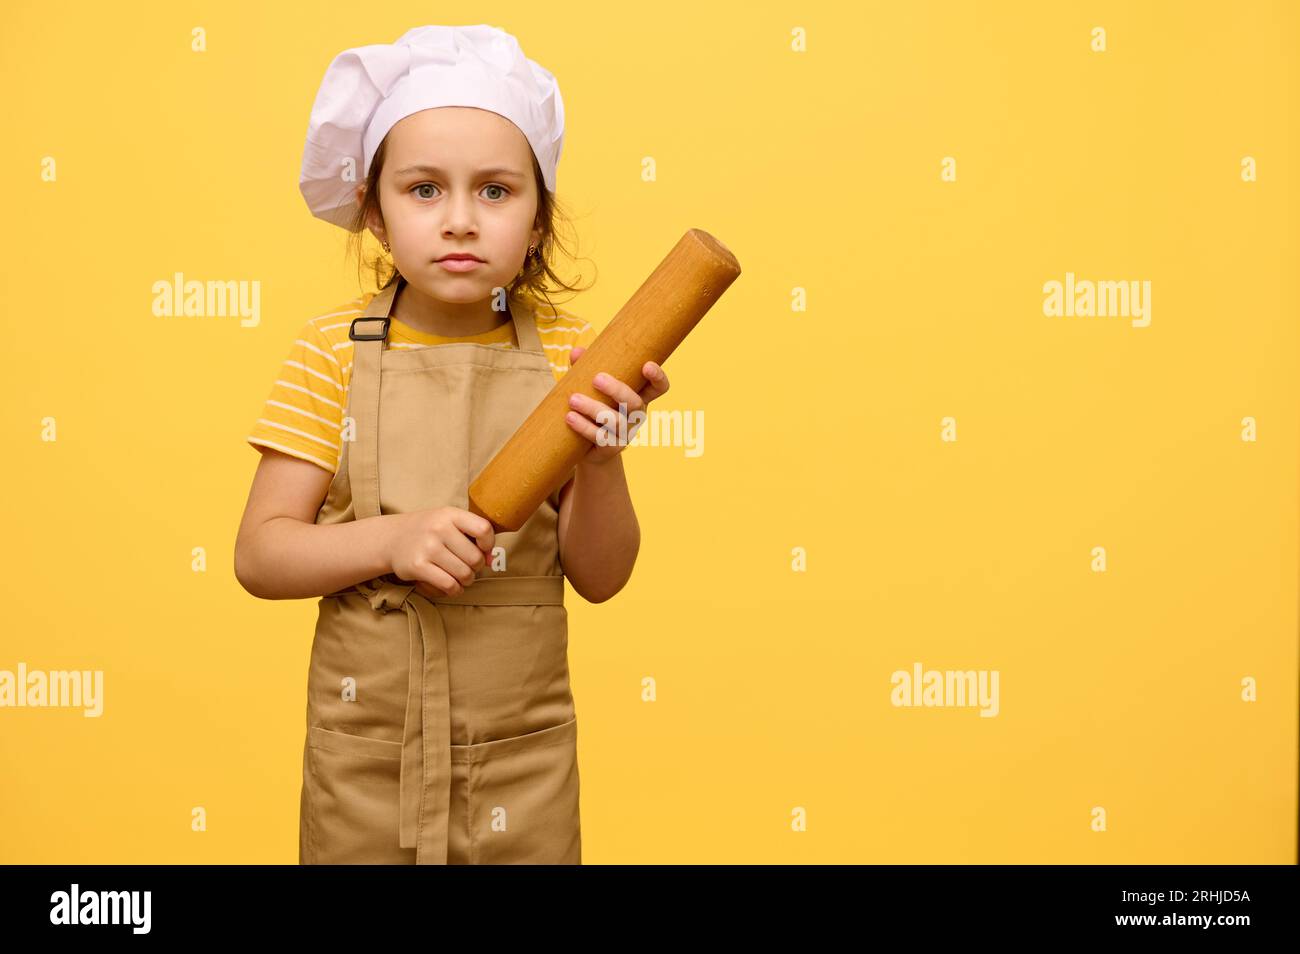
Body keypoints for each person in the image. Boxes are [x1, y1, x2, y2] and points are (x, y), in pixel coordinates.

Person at [233, 24, 671, 864]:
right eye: (425, 190)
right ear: (373, 209)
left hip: (523, 761)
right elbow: (260, 555)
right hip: (369, 762)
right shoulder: (331, 353)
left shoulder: (576, 362)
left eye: (497, 192)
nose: (462, 221)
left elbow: (603, 578)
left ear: (539, 219)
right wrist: (393, 539)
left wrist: (602, 460)